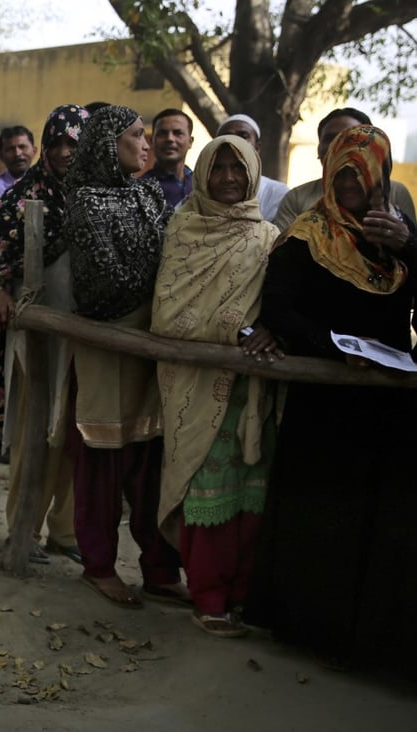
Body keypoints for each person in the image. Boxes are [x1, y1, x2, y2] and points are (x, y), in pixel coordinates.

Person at [246, 125, 417, 672]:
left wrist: (408, 246)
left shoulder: (396, 232)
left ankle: (365, 639)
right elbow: (277, 308)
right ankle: (308, 630)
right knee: (320, 514)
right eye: (340, 173)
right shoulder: (308, 230)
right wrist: (334, 348)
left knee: (378, 517)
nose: (348, 184)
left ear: (378, 176)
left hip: (387, 400)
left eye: (359, 174)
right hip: (325, 400)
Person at [150, 135, 283, 637]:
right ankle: (207, 595)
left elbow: (277, 304)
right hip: (194, 383)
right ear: (202, 173)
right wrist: (234, 328)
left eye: (237, 168)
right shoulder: (183, 229)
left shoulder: (270, 236)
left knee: (248, 490)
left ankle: (242, 592)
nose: (228, 177)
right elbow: (169, 312)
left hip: (251, 389)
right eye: (218, 167)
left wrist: (268, 332)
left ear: (252, 173)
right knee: (204, 487)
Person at [60, 105, 186, 608]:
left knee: (151, 461)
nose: (146, 143)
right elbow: (100, 288)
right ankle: (99, 566)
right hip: (107, 346)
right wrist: (164, 286)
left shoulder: (149, 191)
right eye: (135, 134)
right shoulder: (84, 201)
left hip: (151, 345)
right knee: (102, 463)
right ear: (107, 142)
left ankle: (159, 569)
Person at [0, 103, 90, 563]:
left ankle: (64, 532)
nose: (62, 152)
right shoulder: (23, 195)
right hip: (37, 334)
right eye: (55, 142)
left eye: (72, 143)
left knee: (77, 437)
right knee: (35, 430)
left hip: (88, 338)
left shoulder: (100, 195)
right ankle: (24, 530)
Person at [272, 107, 415, 230]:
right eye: (331, 138)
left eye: (349, 138)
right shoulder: (297, 198)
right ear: (319, 149)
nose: (339, 146)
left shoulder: (396, 193)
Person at [215, 114, 290, 221]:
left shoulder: (278, 193)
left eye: (243, 136)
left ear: (257, 147)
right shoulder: (201, 193)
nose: (235, 141)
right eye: (227, 136)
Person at [142, 108, 194, 209]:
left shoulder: (201, 184)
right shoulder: (141, 189)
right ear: (152, 141)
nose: (170, 139)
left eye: (178, 133)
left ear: (190, 141)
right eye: (162, 133)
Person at [0, 125, 35, 211]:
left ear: (34, 151)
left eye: (22, 147)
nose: (17, 153)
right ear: (1, 156)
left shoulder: (46, 182)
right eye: (10, 149)